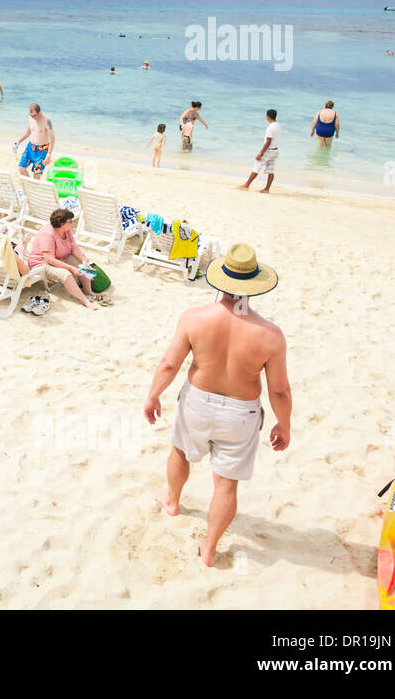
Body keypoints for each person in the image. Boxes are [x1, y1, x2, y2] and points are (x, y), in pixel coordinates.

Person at [143, 243, 290, 567]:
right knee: (225, 484)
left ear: (220, 281)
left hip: (197, 401)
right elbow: (278, 391)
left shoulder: (194, 318)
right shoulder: (271, 335)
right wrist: (283, 424)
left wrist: (154, 396)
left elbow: (170, 364)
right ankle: (209, 550)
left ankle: (172, 502)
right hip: (241, 412)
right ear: (254, 287)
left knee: (180, 452)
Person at [28, 208, 100, 310]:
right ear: (61, 224)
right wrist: (71, 268)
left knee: (83, 263)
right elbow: (50, 260)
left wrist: (83, 261)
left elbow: (74, 246)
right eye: (70, 221)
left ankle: (89, 292)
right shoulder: (47, 234)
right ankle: (86, 302)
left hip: (60, 257)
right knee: (66, 274)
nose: (72, 223)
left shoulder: (66, 230)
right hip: (42, 263)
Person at [239, 109, 280, 193]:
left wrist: (260, 153)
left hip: (268, 151)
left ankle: (246, 185)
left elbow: (268, 142)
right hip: (275, 150)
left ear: (268, 117)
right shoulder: (278, 125)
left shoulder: (270, 127)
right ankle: (267, 189)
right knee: (271, 170)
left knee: (257, 166)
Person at [14, 103, 54, 178]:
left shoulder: (47, 121)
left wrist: (49, 154)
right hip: (30, 147)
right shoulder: (31, 118)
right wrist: (18, 141)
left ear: (39, 112)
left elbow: (52, 139)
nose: (33, 117)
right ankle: (28, 186)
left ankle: (32, 187)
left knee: (36, 175)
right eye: (31, 115)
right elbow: (28, 132)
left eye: (34, 115)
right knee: (21, 168)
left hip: (42, 150)